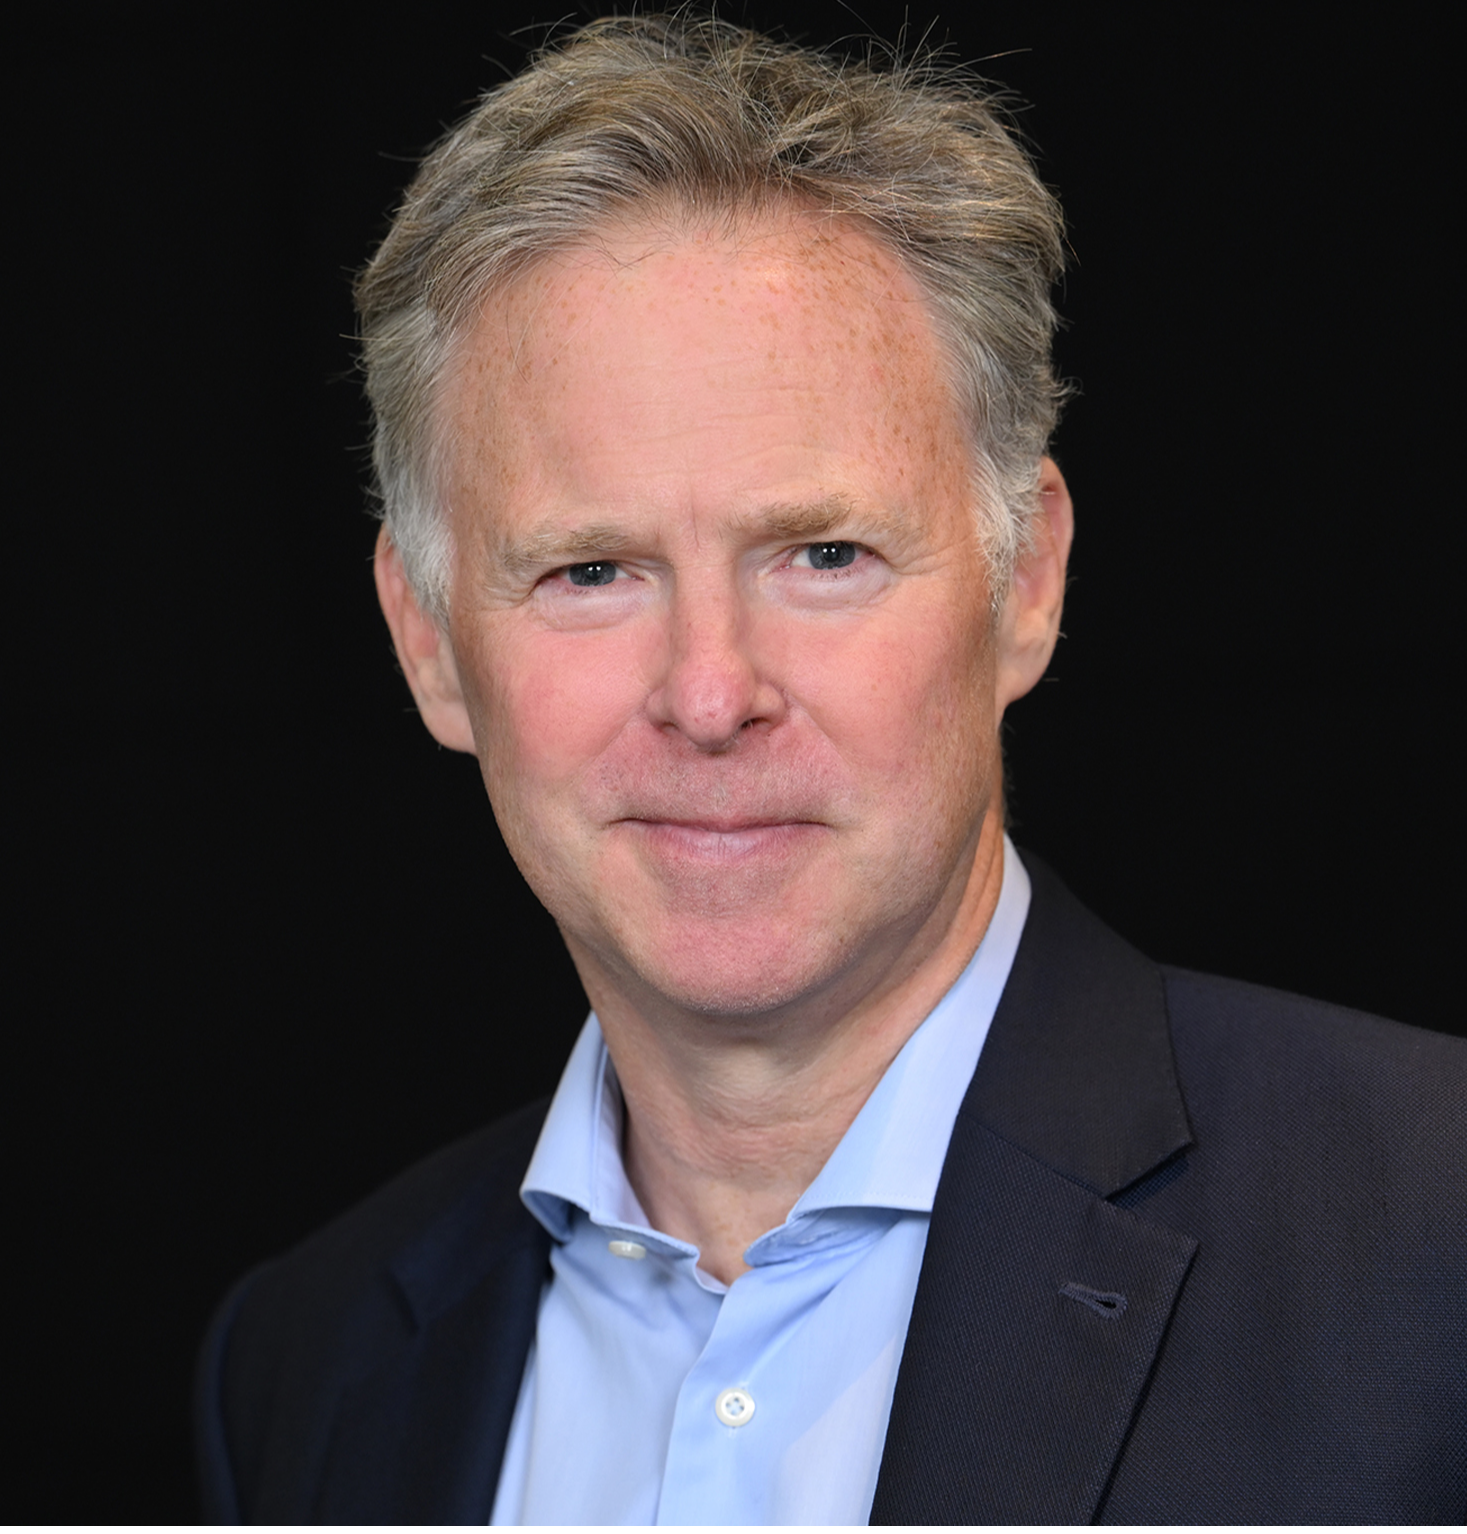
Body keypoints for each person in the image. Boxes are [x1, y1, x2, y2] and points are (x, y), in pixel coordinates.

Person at [195, 15, 1466, 1524]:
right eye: (592, 570)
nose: (709, 694)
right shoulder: (308, 1368)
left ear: (1026, 578)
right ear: (427, 641)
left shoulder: (1430, 1241)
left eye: (822, 553)